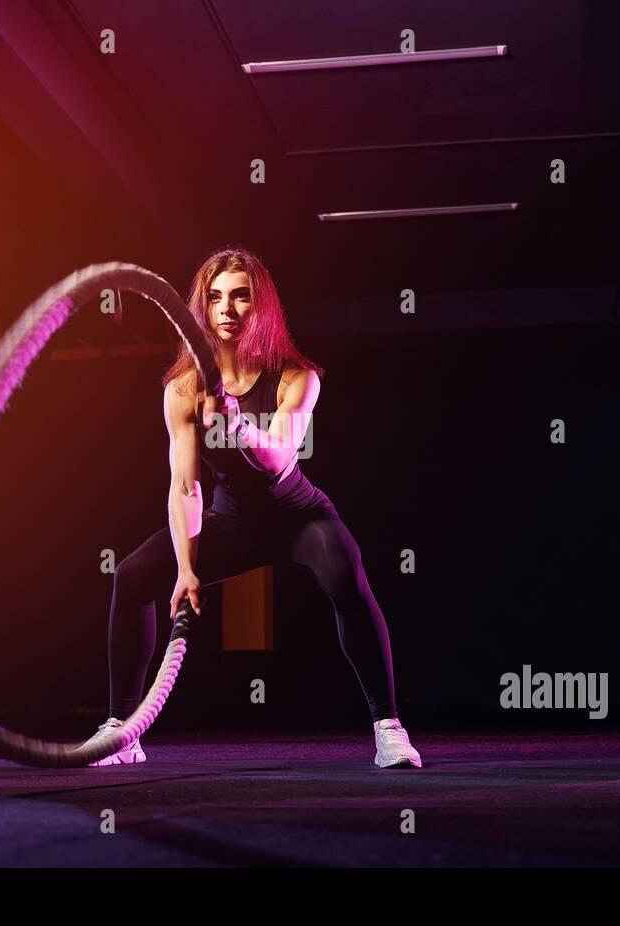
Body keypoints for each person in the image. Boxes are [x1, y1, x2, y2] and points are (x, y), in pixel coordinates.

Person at [84, 248, 421, 769]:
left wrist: (237, 421)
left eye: (241, 295)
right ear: (201, 310)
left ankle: (388, 728)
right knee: (131, 578)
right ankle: (121, 732)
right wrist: (187, 568)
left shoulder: (296, 377)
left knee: (346, 578)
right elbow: (184, 486)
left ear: (260, 306)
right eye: (216, 297)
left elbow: (280, 457)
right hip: (231, 522)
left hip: (296, 516)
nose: (228, 308)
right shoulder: (183, 390)